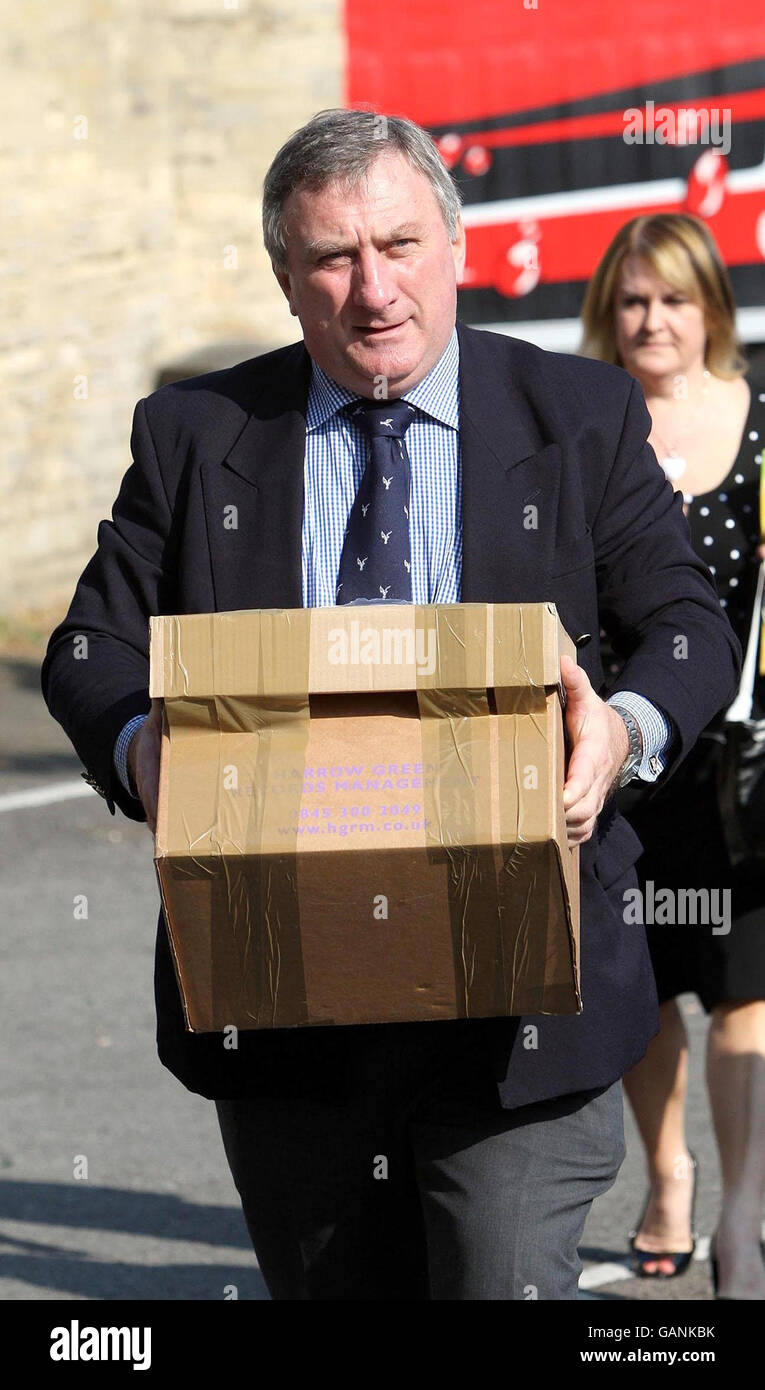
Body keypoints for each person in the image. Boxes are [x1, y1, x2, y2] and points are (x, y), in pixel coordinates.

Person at [41, 112, 741, 1301]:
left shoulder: (581, 414)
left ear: (455, 248)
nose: (374, 290)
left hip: (523, 1011)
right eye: (333, 258)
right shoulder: (196, 436)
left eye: (400, 245)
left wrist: (621, 729)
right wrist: (139, 743)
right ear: (284, 275)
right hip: (285, 1009)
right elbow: (84, 645)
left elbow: (689, 624)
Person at [580, 211, 765, 1298]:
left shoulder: (760, 424)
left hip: (743, 771)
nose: (652, 320)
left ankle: (742, 1218)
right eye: (635, 299)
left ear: (712, 310)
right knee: (644, 988)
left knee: (744, 994)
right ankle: (667, 1178)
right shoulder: (589, 428)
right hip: (627, 763)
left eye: (674, 299)